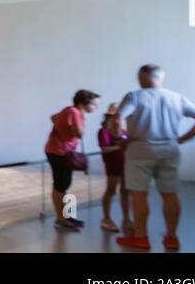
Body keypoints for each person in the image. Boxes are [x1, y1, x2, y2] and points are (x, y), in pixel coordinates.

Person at [115, 64, 195, 251]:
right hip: (169, 148)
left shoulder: (133, 96)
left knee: (139, 195)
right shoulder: (176, 97)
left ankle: (141, 237)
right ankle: (172, 237)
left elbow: (116, 118)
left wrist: (119, 138)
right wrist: (182, 138)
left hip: (140, 149)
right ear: (161, 78)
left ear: (140, 78)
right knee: (170, 194)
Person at [45, 89, 99, 230]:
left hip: (61, 151)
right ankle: (61, 219)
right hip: (58, 152)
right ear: (84, 103)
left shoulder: (69, 110)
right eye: (94, 105)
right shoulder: (74, 112)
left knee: (64, 184)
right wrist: (80, 120)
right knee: (60, 185)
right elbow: (80, 134)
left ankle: (66, 216)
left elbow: (53, 117)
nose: (95, 108)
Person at [97, 104, 131, 233]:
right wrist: (120, 147)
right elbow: (105, 149)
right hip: (113, 165)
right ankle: (106, 218)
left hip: (125, 164)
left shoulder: (123, 131)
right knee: (110, 191)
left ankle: (126, 219)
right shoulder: (103, 131)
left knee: (125, 192)